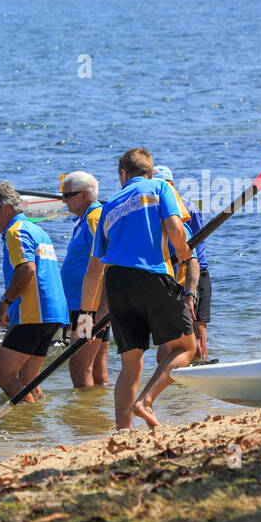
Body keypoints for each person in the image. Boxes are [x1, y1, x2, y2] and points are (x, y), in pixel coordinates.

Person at [76, 148, 199, 429]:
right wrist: (184, 254)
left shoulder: (108, 206)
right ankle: (145, 401)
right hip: (151, 276)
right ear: (150, 171)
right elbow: (175, 228)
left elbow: (94, 269)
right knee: (185, 347)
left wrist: (86, 315)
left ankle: (123, 432)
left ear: (122, 174)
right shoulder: (159, 187)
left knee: (130, 365)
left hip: (117, 284)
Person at [0, 181, 68, 403]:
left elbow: (26, 270)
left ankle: (28, 425)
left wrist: (5, 303)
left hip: (33, 313)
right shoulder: (37, 229)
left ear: (7, 209)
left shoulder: (15, 231)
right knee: (29, 378)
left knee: (3, 375)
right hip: (53, 313)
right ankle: (37, 429)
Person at [154, 165, 212, 361]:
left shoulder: (190, 209)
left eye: (164, 185)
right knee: (169, 341)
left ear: (172, 185)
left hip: (195, 272)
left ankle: (200, 380)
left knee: (198, 339)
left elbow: (194, 243)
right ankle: (174, 387)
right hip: (168, 275)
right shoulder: (152, 209)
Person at [58, 171, 109, 389]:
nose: (64, 200)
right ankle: (98, 415)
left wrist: (99, 310)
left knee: (80, 368)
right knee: (96, 367)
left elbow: (107, 261)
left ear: (84, 195)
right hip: (88, 306)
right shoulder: (86, 218)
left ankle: (85, 422)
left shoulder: (94, 218)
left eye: (67, 195)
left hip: (88, 308)